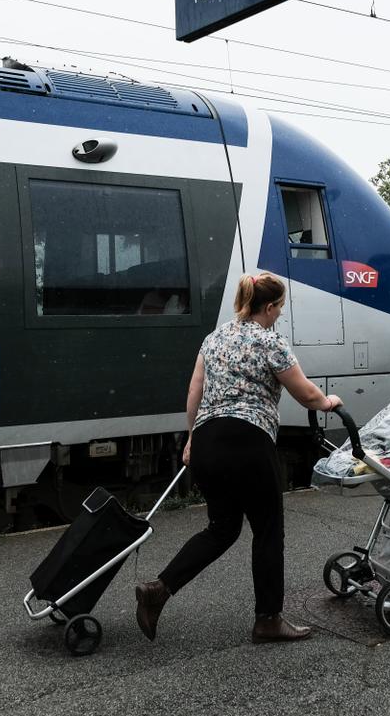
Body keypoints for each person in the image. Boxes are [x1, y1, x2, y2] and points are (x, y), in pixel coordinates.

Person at [135, 271, 341, 644]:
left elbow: (194, 392)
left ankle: (158, 589)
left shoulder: (213, 339)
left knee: (222, 528)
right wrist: (329, 402)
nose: (280, 314)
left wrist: (192, 438)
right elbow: (306, 394)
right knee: (267, 530)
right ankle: (268, 620)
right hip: (248, 442)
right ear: (268, 306)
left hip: (208, 443)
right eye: (280, 308)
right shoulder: (269, 343)